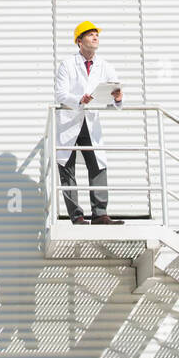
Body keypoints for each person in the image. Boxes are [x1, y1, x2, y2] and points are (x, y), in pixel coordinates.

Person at [55, 21, 124, 225]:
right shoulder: (67, 65)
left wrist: (118, 98)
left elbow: (114, 91)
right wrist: (79, 99)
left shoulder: (105, 66)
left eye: (97, 35)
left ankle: (100, 213)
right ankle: (76, 216)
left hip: (91, 121)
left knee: (97, 165)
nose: (95, 37)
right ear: (79, 41)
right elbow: (60, 93)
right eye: (90, 34)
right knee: (66, 167)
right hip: (70, 120)